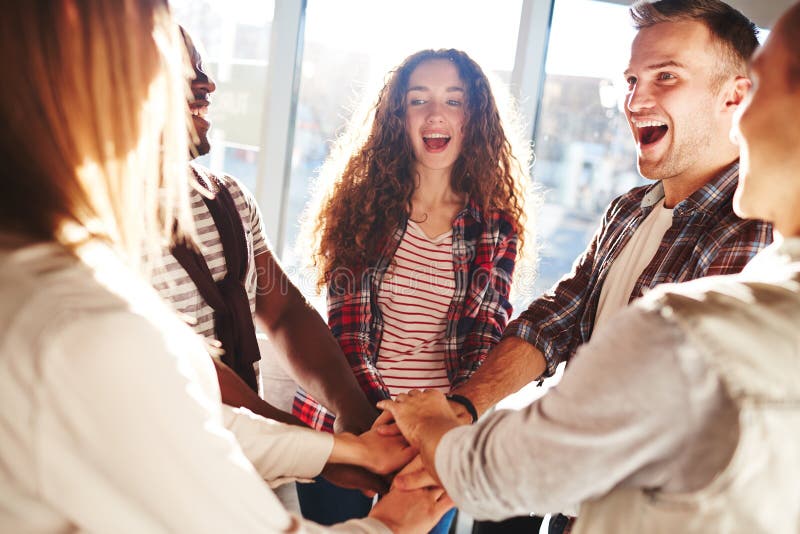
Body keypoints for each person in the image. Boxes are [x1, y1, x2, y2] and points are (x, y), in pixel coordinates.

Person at [0, 2, 450, 532]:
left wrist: (348, 442)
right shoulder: (91, 325)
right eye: (175, 64)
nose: (205, 86)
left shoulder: (222, 200)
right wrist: (391, 523)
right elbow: (183, 402)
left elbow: (280, 313)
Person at [379, 6, 800, 531]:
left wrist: (440, 440)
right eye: (631, 80)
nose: (635, 101)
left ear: (735, 98)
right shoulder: (630, 210)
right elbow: (558, 318)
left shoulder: (751, 240)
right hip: (574, 510)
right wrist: (464, 406)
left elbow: (627, 421)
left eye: (666, 76)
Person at [293, 49, 533, 528]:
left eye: (454, 100)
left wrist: (432, 430)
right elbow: (348, 339)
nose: (435, 113)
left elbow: (481, 343)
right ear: (398, 117)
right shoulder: (359, 208)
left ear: (474, 118)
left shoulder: (496, 228)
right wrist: (384, 426)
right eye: (418, 100)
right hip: (349, 426)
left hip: (433, 442)